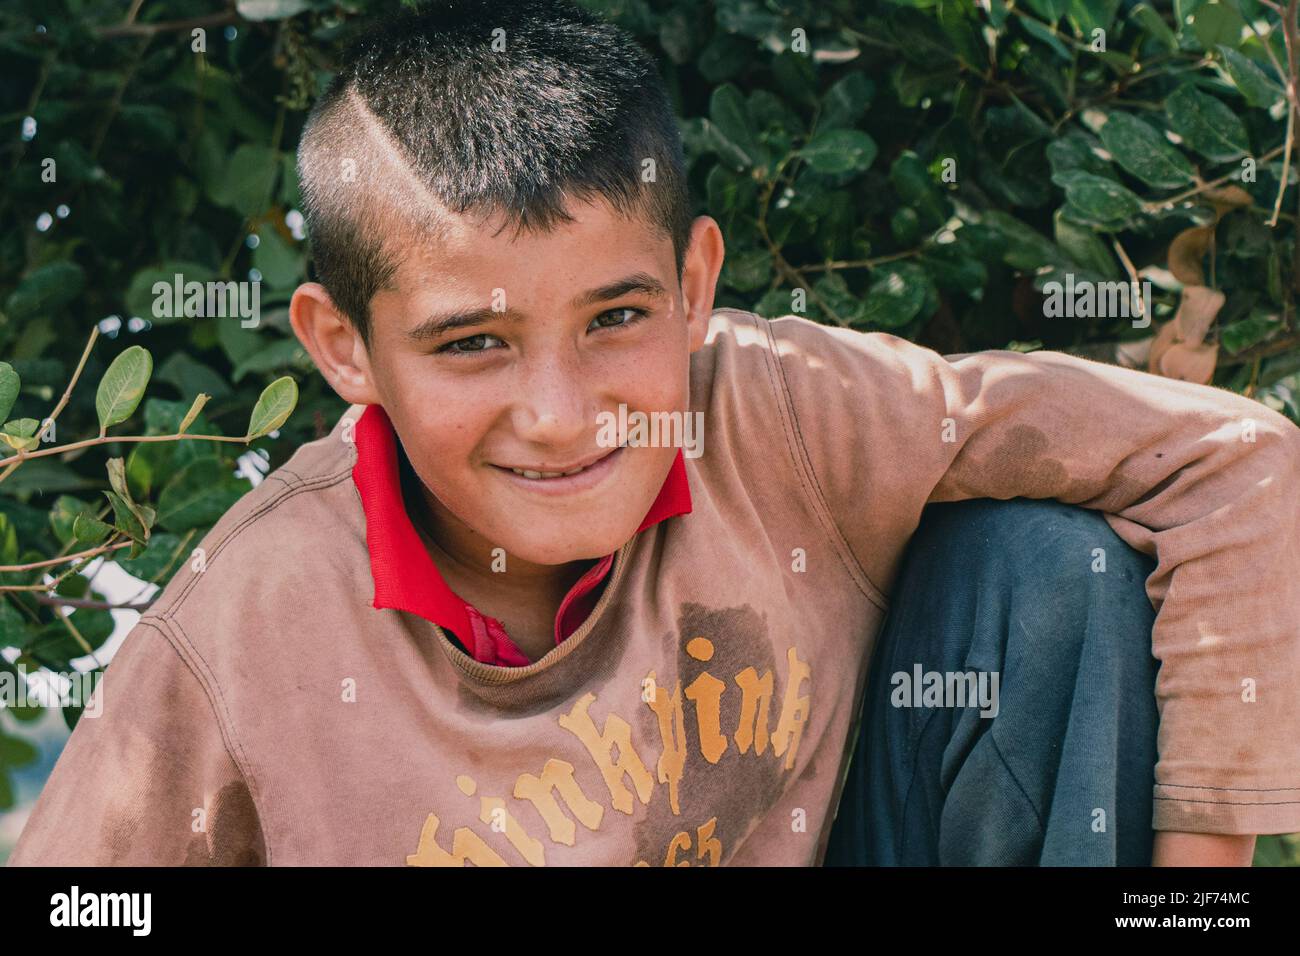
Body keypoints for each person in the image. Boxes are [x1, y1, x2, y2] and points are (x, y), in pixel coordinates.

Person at [10, 0, 1298, 867]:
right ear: (343, 346)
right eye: (472, 343)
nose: (564, 416)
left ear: (693, 284)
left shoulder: (788, 412)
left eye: (617, 317)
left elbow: (1233, 458)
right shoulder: (243, 626)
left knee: (1042, 575)